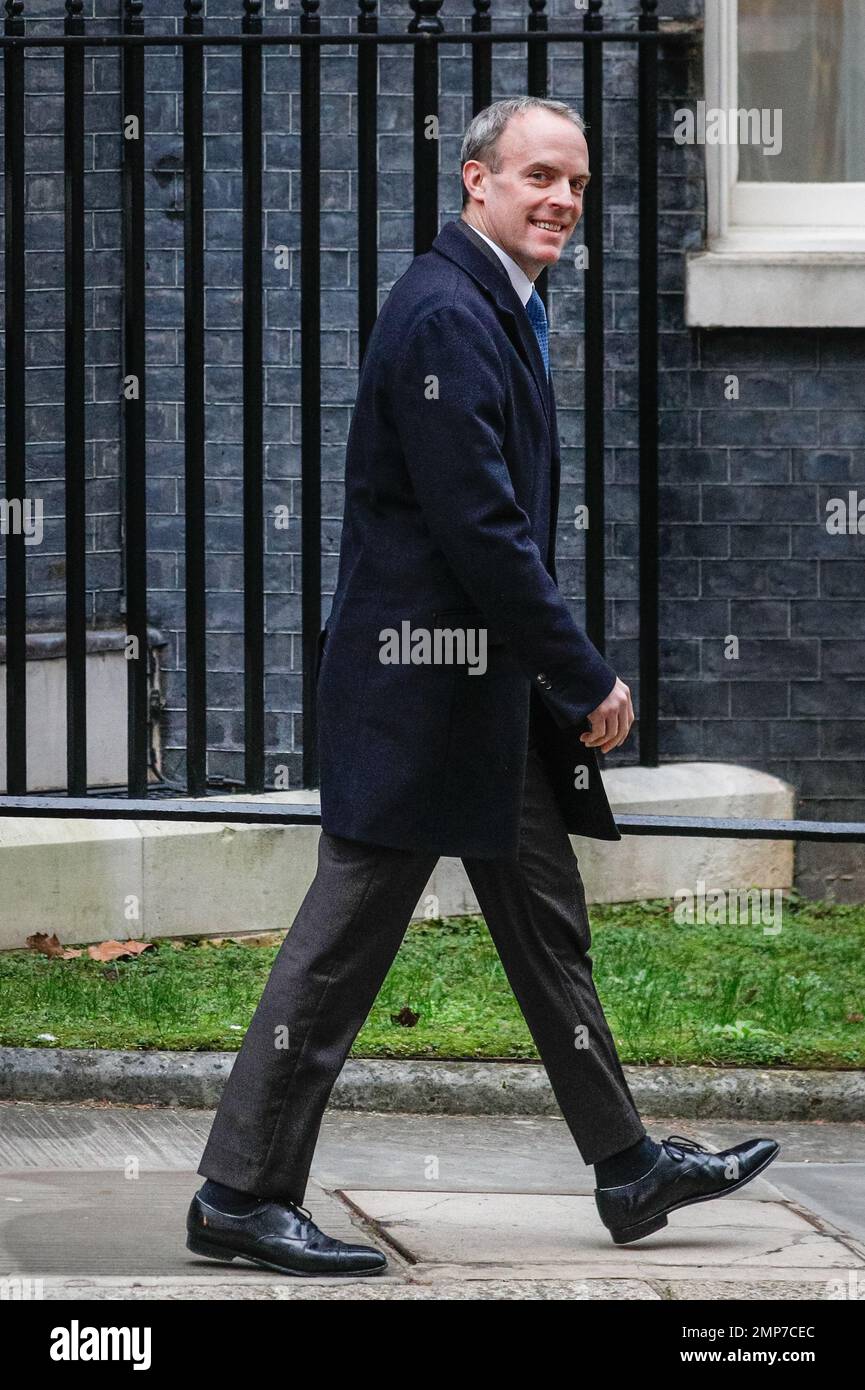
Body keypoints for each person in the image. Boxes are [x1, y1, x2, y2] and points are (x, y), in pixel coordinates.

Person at [187, 97, 778, 1276]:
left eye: (576, 181)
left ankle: (626, 1163)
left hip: (475, 697)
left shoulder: (495, 304)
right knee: (343, 940)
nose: (560, 198)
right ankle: (239, 1194)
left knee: (547, 930)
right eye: (537, 177)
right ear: (475, 183)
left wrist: (539, 682)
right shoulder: (449, 311)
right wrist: (580, 671)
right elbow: (479, 526)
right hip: (421, 697)